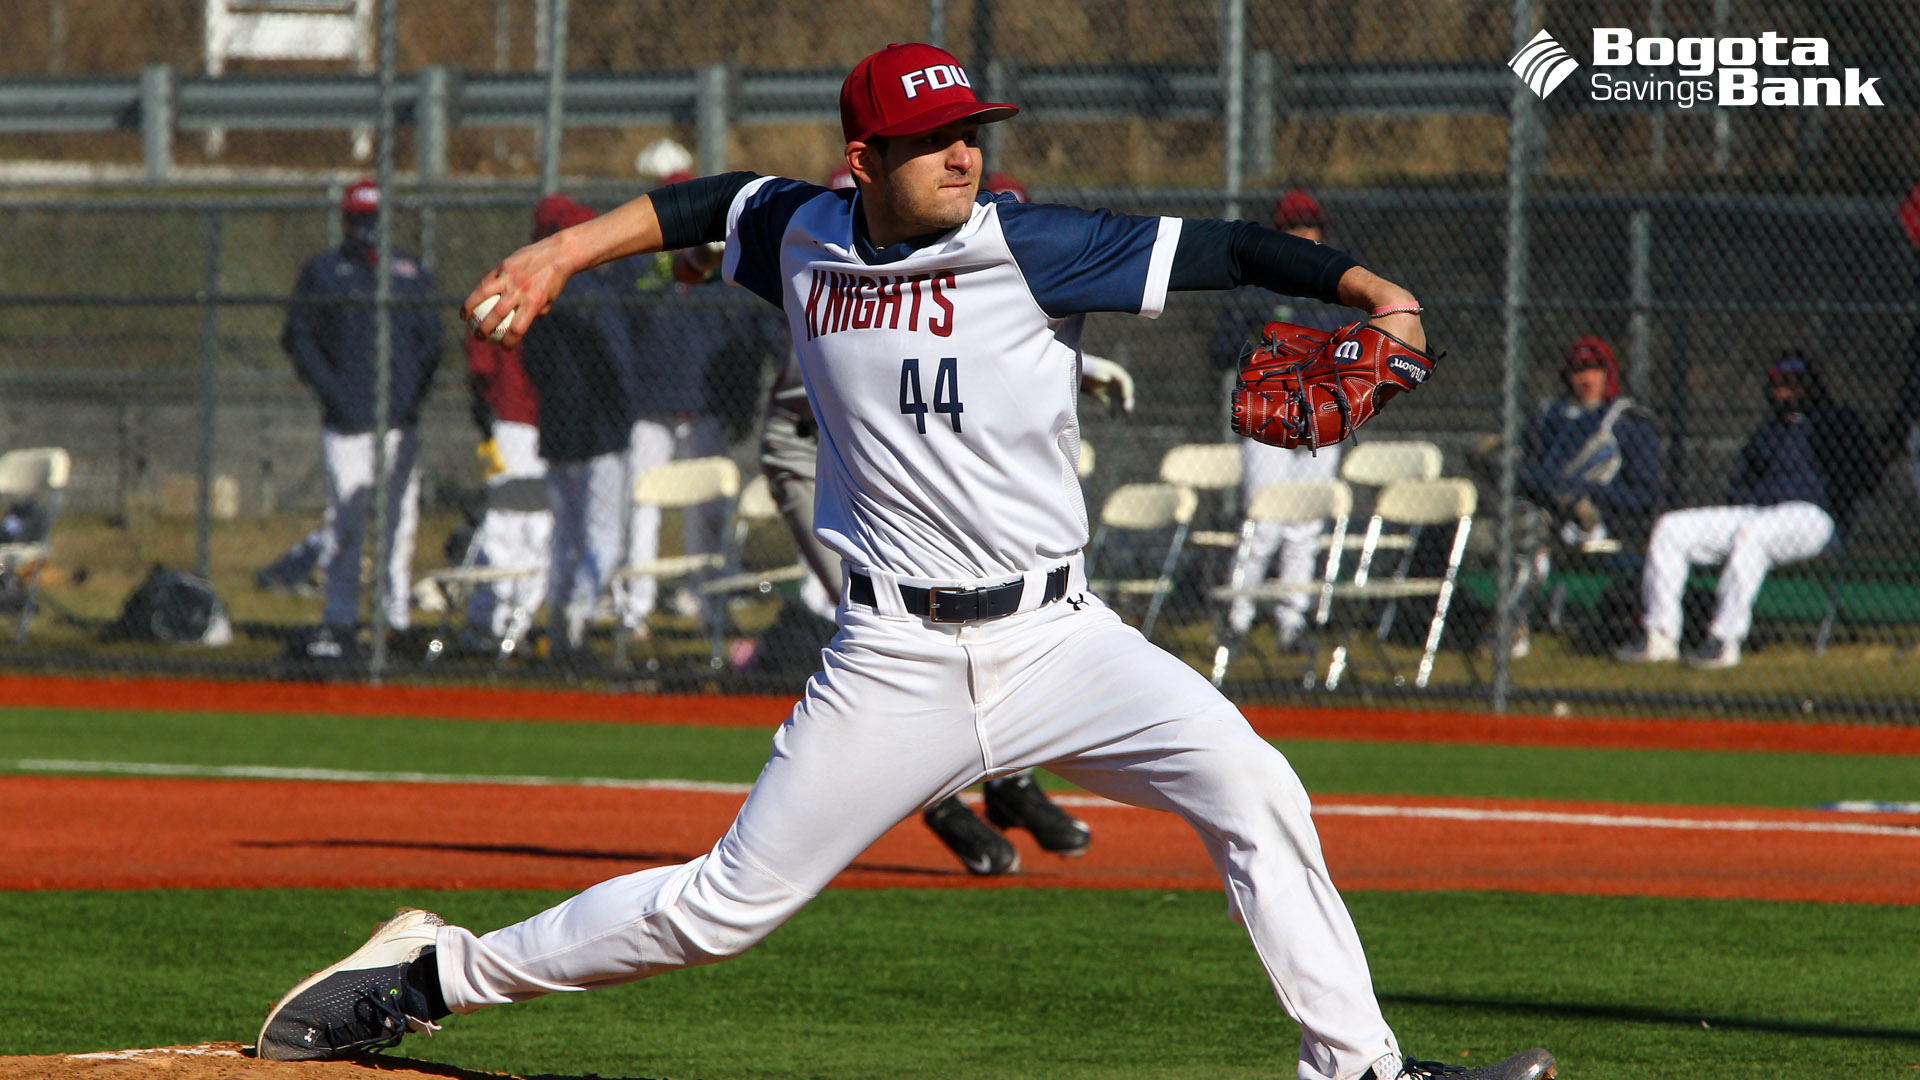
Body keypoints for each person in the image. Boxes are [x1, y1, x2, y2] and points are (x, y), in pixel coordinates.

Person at [258, 43, 1555, 1080]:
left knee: (1257, 791)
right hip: (896, 656)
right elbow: (704, 204)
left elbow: (1228, 246)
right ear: (862, 158)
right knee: (724, 911)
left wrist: (1379, 299)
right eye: (935, 138)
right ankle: (429, 975)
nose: (963, 154)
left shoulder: (1032, 242)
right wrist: (558, 251)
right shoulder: (805, 232)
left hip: (1065, 643)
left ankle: (1360, 1071)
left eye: (971, 132)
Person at [745, 166, 1114, 877]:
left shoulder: (952, 265)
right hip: (812, 464)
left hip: (882, 469)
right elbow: (893, 371)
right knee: (908, 629)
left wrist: (1076, 364)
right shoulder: (845, 266)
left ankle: (1010, 786)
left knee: (997, 625)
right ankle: (941, 802)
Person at [1615, 352, 1870, 669]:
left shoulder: (1837, 422)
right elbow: (1739, 487)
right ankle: (1660, 634)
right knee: (1670, 527)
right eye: (1780, 385)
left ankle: (1724, 640)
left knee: (1752, 535)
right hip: (1758, 512)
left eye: (1795, 383)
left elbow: (1862, 478)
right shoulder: (1769, 430)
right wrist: (1763, 499)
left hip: (1816, 518)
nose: (1787, 392)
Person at [612, 173, 785, 629]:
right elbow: (624, 336)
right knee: (641, 506)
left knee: (707, 511)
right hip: (649, 408)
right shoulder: (643, 263)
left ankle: (705, 600)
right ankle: (635, 606)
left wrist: (740, 407)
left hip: (705, 409)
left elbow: (750, 343)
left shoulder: (725, 264)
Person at [280, 178, 443, 653]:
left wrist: (411, 395)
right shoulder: (326, 272)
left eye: (373, 219)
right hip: (347, 424)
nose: (365, 229)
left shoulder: (410, 272)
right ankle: (342, 618)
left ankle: (393, 621)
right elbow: (299, 337)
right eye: (358, 219)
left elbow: (431, 341)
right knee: (346, 523)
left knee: (399, 526)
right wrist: (333, 392)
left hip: (398, 423)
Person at [1214, 188, 1362, 652]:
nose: (1303, 234)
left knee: (1306, 526)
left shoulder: (1341, 288)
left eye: (1309, 225)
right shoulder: (1256, 285)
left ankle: (1292, 624)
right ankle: (1237, 619)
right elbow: (1222, 349)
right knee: (1263, 522)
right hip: (1271, 416)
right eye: (1293, 227)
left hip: (1322, 416)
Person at [515, 194, 641, 658]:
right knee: (605, 533)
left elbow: (533, 364)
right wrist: (626, 413)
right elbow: (617, 361)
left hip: (559, 428)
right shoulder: (597, 290)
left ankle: (557, 619)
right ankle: (577, 617)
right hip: (601, 431)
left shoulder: (540, 290)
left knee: (566, 534)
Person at [1499, 335, 1659, 657]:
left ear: (1608, 373)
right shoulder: (1549, 414)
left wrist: (1584, 495)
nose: (1586, 378)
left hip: (1591, 518)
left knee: (1530, 518)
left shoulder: (1626, 422)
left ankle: (1508, 628)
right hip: (1541, 509)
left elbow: (1645, 495)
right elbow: (1518, 465)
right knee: (1500, 469)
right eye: (1577, 370)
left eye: (1594, 369)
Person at [461, 331, 551, 646]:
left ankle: (519, 620)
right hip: (510, 417)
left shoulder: (564, 285)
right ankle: (487, 618)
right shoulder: (506, 287)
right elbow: (481, 356)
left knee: (540, 529)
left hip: (553, 419)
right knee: (502, 526)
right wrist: (484, 401)